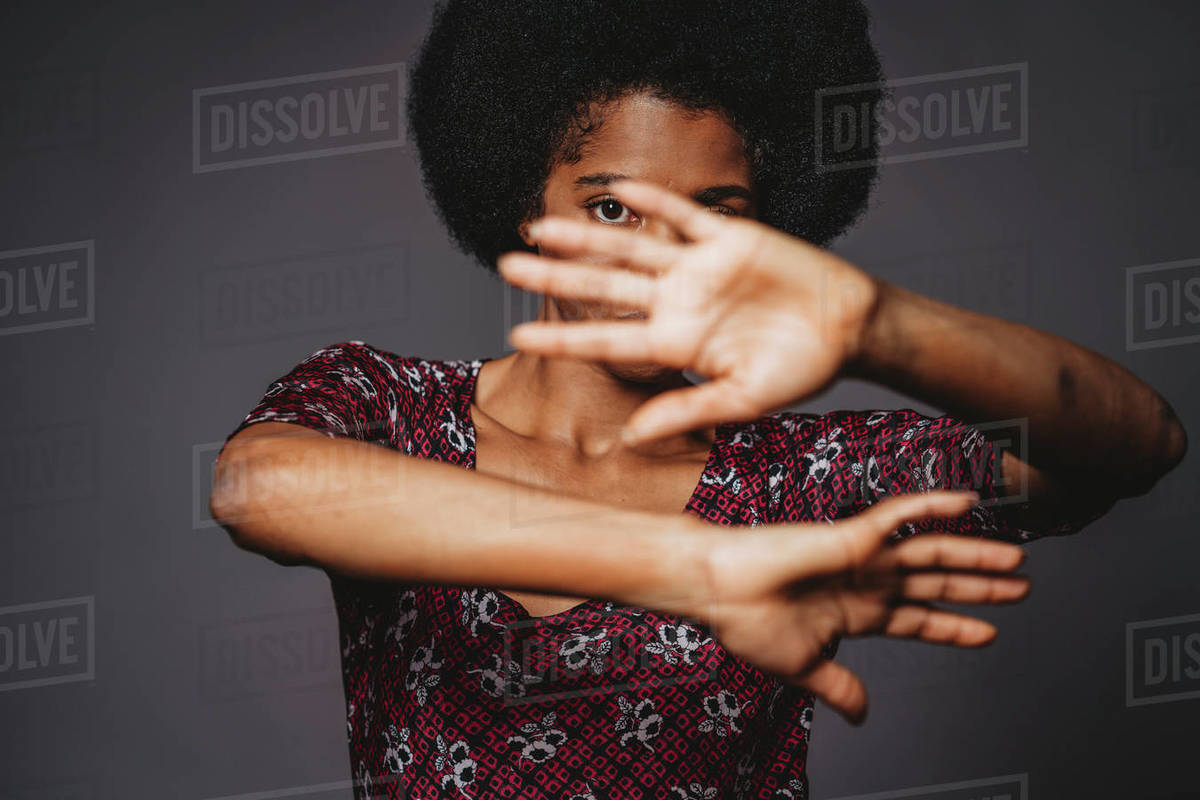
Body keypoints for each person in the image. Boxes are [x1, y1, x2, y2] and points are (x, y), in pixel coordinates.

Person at [210, 1, 1186, 798]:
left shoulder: (798, 479)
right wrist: (699, 563)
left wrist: (875, 325)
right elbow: (260, 487)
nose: (658, 259)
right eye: (610, 207)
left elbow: (1136, 445)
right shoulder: (396, 406)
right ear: (526, 200)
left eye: (713, 219)